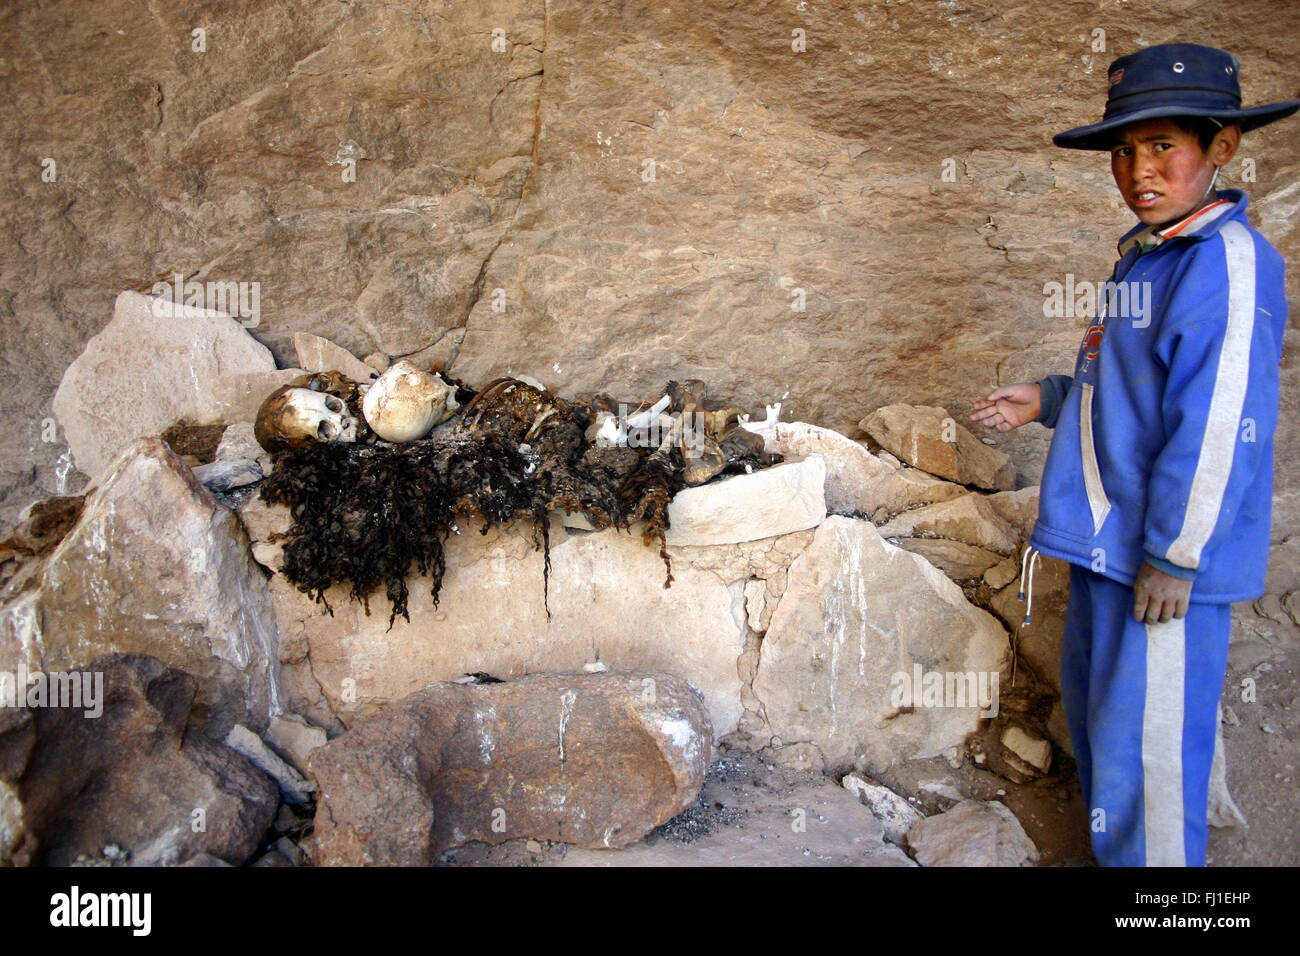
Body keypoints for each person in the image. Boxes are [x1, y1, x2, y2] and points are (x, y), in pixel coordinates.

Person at [970, 42, 1297, 867]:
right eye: (1124, 150)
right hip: (1113, 548)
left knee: (1151, 755)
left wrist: (1176, 556)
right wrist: (1048, 397)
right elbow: (1134, 389)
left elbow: (1218, 426)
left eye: (1162, 147)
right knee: (1108, 730)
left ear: (1220, 148)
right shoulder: (1148, 253)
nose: (1137, 169)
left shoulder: (1226, 262)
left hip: (1159, 566)